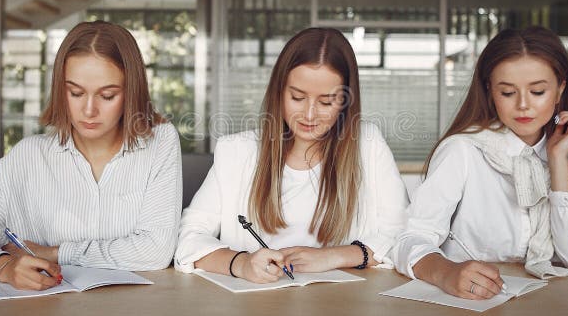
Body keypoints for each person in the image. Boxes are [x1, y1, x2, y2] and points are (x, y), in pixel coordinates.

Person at [0, 21, 182, 290]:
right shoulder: (28, 157)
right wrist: (4, 267)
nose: (89, 110)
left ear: (131, 92)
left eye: (107, 95)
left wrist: (54, 253)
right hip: (42, 315)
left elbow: (156, 251)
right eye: (75, 92)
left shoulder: (159, 141)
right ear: (60, 88)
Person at [392, 26, 568, 300]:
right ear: (490, 92)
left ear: (560, 91)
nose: (523, 105)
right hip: (471, 304)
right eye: (507, 93)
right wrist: (446, 272)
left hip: (553, 305)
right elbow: (409, 240)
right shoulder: (463, 150)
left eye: (538, 91)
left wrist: (558, 161)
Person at [175, 28, 409, 282]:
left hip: (345, 308)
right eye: (297, 97)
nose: (309, 115)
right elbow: (189, 238)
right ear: (279, 92)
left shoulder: (368, 145)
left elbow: (406, 236)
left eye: (326, 102)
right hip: (256, 309)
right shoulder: (235, 152)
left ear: (345, 102)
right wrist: (241, 264)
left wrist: (334, 256)